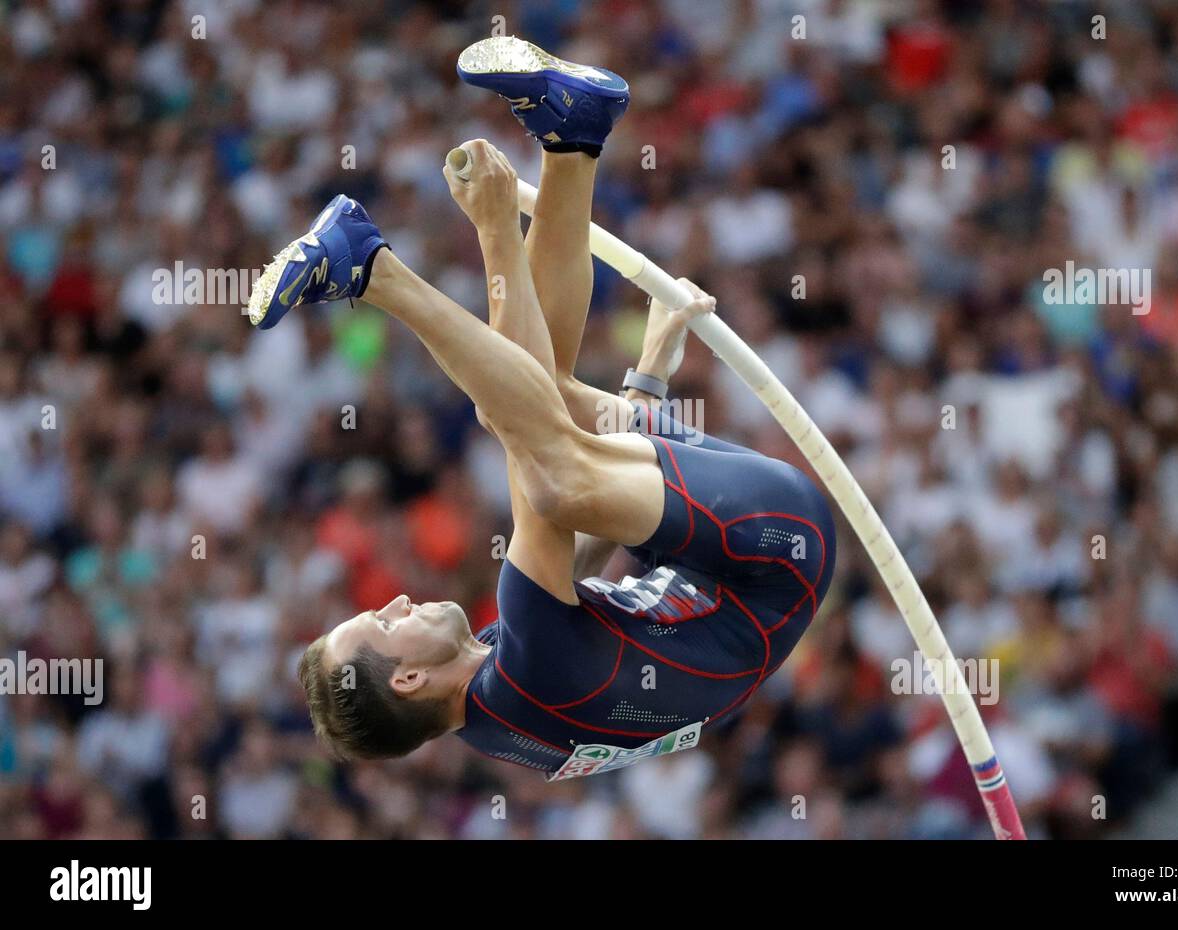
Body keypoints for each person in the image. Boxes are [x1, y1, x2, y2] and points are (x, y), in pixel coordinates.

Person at [248, 37, 836, 776]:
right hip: (771, 553)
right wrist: (496, 230)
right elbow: (544, 474)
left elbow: (581, 540)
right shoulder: (530, 674)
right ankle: (371, 270)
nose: (397, 598)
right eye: (384, 621)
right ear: (407, 680)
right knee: (546, 464)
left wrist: (647, 382)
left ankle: (574, 136)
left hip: (701, 542)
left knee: (542, 403)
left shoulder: (496, 705)